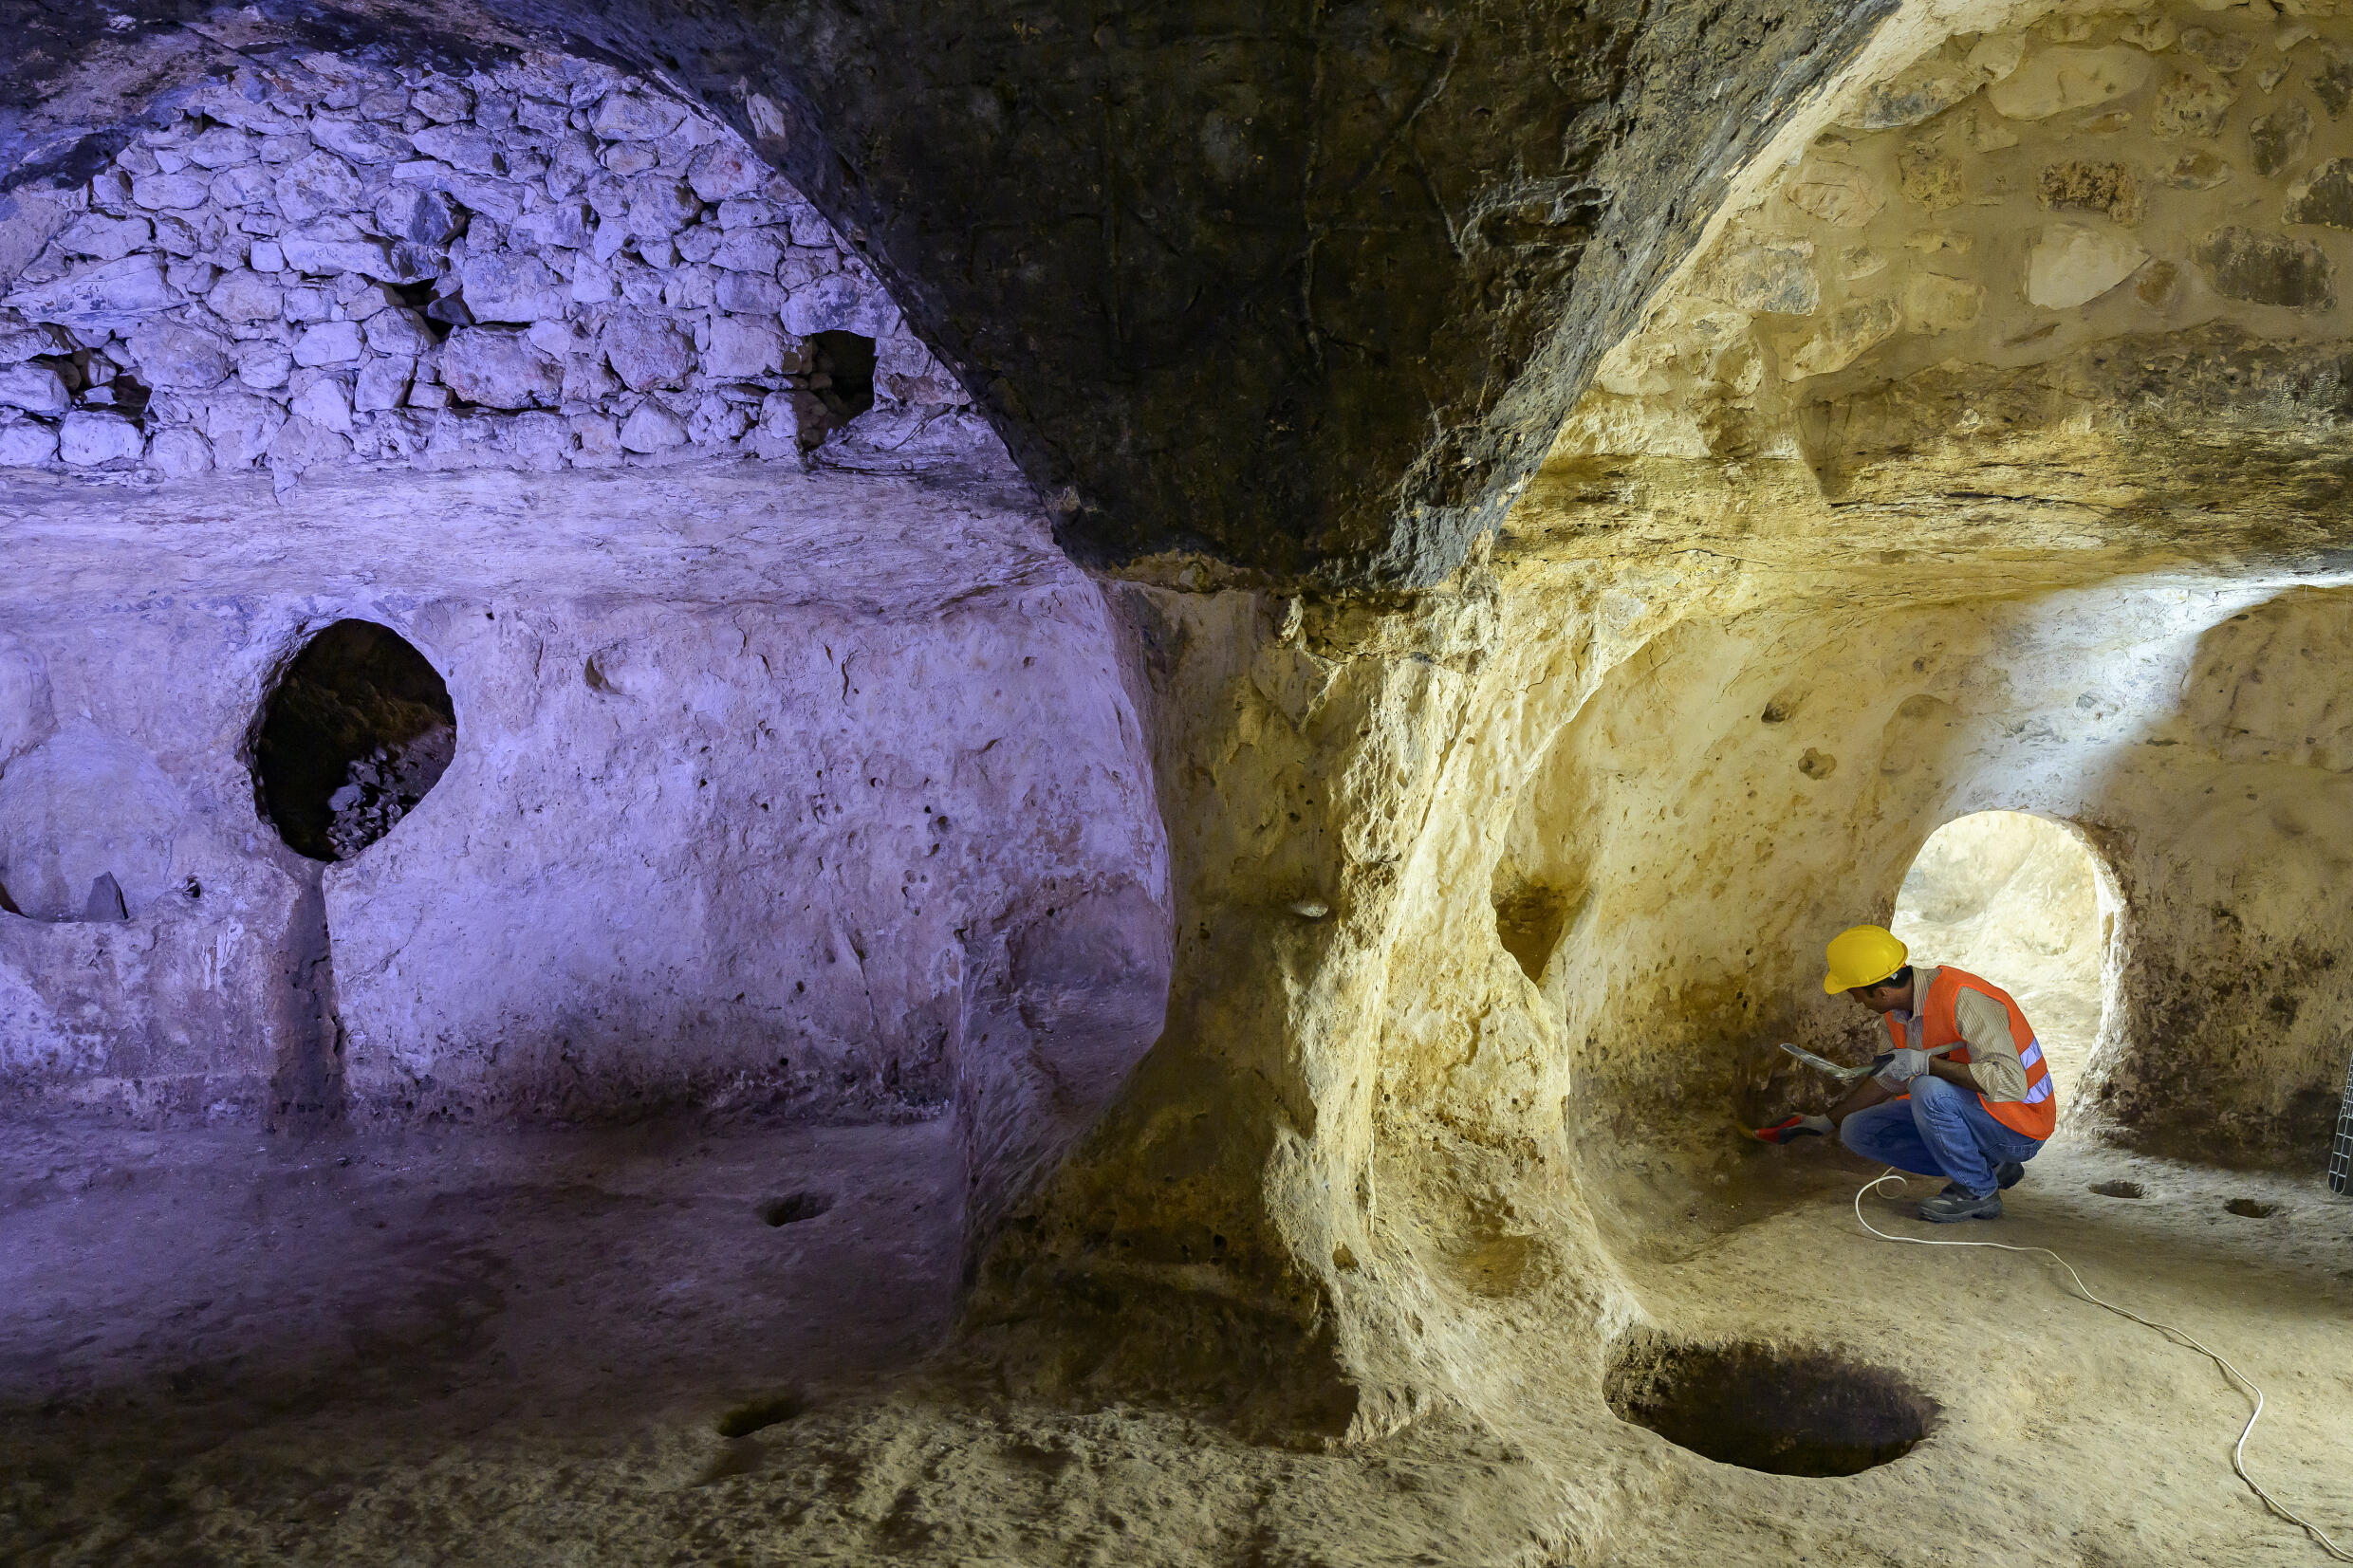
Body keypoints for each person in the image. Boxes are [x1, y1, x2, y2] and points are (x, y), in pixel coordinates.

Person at [1816, 924, 2058, 1222]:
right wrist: (1825, 1122)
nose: (1855, 1002)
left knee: (1926, 1089)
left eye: (1855, 994)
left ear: (1880, 992)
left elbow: (2010, 1083)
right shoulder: (1895, 1013)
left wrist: (1926, 1064)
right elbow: (1887, 1079)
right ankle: (1991, 1166)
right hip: (1981, 1114)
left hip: (2021, 1123)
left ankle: (1978, 1192)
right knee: (1857, 1130)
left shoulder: (1962, 998)